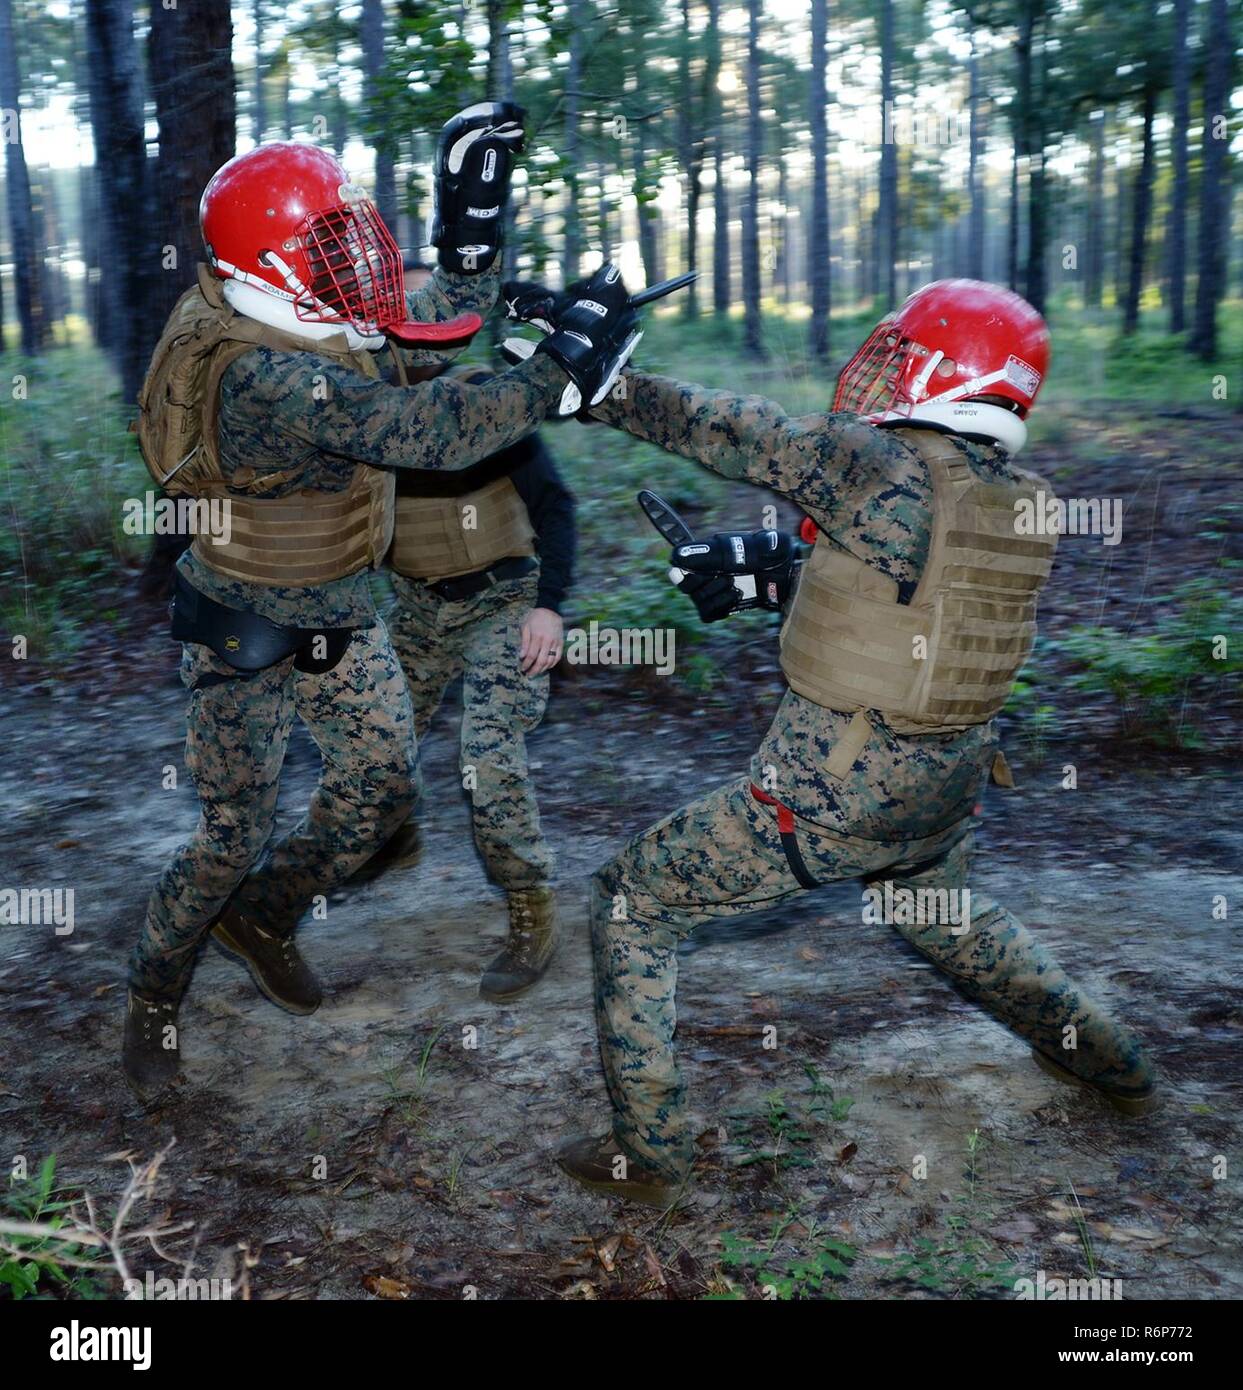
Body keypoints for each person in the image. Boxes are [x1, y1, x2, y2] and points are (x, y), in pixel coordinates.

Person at [509, 278, 1158, 1205]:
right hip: (945, 785)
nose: (877, 374)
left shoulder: (875, 465)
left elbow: (737, 430)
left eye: (900, 357)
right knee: (940, 914)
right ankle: (1116, 1064)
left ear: (938, 370)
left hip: (832, 791)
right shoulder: (1027, 505)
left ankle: (646, 1150)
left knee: (630, 901)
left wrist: (602, 384)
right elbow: (922, 597)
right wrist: (778, 577)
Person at [123, 103, 640, 1100]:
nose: (355, 257)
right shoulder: (263, 369)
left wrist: (473, 223)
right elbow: (422, 428)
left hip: (339, 610)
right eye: (331, 242)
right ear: (271, 263)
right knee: (230, 831)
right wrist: (551, 379)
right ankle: (153, 991)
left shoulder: (302, 306)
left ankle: (264, 914)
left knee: (379, 790)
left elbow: (437, 318)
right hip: (243, 619)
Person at [358, 365, 577, 1002]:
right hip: (417, 608)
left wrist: (550, 605)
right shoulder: (363, 416)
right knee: (369, 739)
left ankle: (530, 906)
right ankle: (395, 828)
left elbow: (556, 506)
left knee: (487, 756)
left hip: (505, 602)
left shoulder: (489, 407)